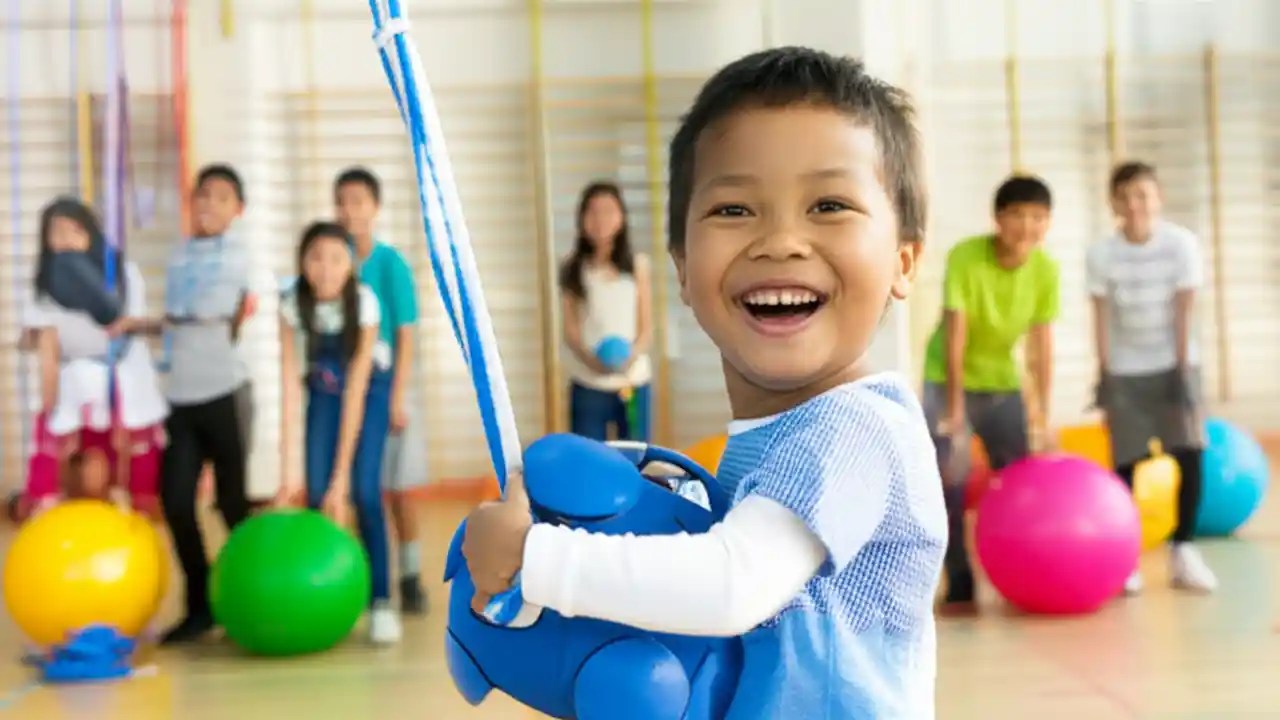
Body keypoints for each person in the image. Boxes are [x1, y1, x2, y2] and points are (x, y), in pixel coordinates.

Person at [459, 47, 946, 718]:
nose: (780, 241)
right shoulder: (779, 435)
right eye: (735, 210)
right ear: (683, 270)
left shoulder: (851, 431)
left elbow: (732, 584)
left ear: (903, 260)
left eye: (828, 204)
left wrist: (532, 558)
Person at [111, 164, 266, 644]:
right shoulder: (180, 253)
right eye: (202, 196)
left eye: (221, 197)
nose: (209, 205)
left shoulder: (240, 255)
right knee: (176, 501)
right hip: (180, 396)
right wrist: (137, 324)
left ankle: (254, 598)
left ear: (238, 209)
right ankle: (200, 605)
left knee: (232, 504)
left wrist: (182, 318)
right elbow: (178, 319)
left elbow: (211, 307)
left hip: (224, 392)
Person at [920, 175, 1059, 615]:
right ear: (998, 219)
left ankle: (1024, 568)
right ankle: (959, 577)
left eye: (1037, 217)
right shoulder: (966, 257)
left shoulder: (1046, 270)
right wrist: (955, 411)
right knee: (950, 477)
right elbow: (955, 335)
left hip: (1002, 382)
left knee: (1019, 478)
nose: (1026, 226)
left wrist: (1043, 414)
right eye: (1017, 215)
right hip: (948, 377)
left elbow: (1041, 346)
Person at [1088, 160, 1217, 595]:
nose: (1135, 205)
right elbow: (1101, 316)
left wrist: (1182, 371)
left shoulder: (1181, 244)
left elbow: (1185, 310)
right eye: (1124, 196)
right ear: (1114, 204)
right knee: (1126, 463)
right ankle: (1128, 557)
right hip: (1125, 369)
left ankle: (1184, 550)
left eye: (1143, 195)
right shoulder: (1102, 254)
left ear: (1158, 198)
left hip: (1175, 364)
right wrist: (1104, 373)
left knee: (1190, 454)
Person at [276, 221, 400, 644]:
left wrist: (341, 477)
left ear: (351, 265)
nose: (325, 269)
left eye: (335, 259)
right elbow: (290, 387)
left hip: (368, 390)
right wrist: (286, 471)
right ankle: (321, 595)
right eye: (315, 258)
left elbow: (356, 391)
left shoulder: (364, 303)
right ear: (302, 263)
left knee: (362, 492)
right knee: (314, 495)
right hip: (324, 388)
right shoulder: (292, 302)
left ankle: (381, 601)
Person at [19, 197, 167, 520]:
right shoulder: (44, 288)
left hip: (121, 381)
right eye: (57, 232)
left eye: (76, 230)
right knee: (61, 455)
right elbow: (45, 343)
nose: (67, 239)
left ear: (92, 234)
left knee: (131, 462)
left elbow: (134, 322)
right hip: (70, 385)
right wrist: (48, 398)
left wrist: (121, 323)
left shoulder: (123, 274)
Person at [333, 167, 427, 614]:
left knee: (399, 487)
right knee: (361, 488)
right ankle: (370, 576)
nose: (349, 210)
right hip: (352, 389)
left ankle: (409, 575)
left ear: (375, 207)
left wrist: (398, 397)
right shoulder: (335, 260)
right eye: (342, 201)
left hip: (391, 384)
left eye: (358, 200)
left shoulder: (390, 264)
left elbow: (406, 333)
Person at [558, 182, 653, 442]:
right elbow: (570, 330)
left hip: (633, 382)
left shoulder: (638, 265)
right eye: (593, 211)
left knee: (635, 461)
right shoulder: (572, 268)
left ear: (622, 217)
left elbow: (646, 326)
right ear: (582, 219)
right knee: (589, 461)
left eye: (609, 211)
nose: (600, 219)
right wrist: (594, 363)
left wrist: (629, 359)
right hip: (588, 383)